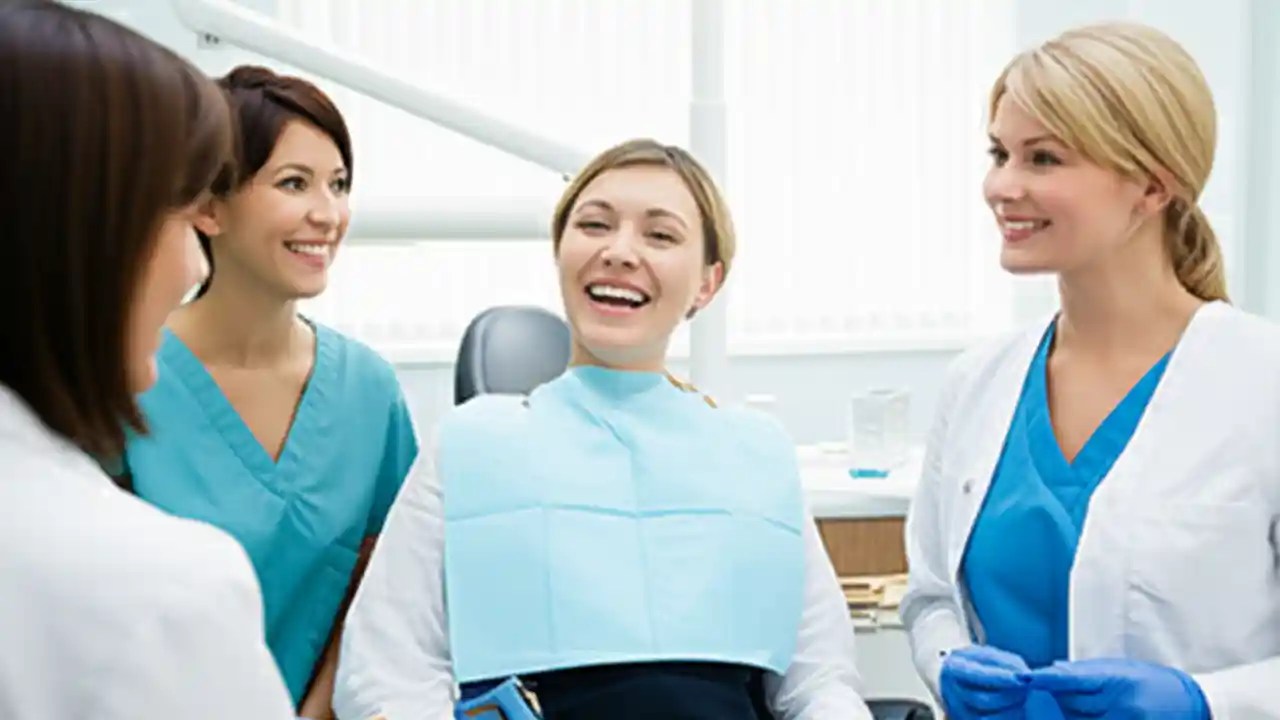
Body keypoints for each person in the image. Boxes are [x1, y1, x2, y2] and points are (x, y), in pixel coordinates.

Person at [331, 139, 872, 719]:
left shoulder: (756, 456)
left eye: (659, 235)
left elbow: (820, 684)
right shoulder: (469, 446)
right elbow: (385, 676)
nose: (619, 252)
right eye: (594, 225)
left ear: (707, 282)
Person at [900, 21, 1280, 720]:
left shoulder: (1263, 383)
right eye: (1000, 153)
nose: (1002, 185)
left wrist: (1207, 702)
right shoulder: (978, 383)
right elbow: (929, 598)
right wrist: (947, 660)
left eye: (1043, 159)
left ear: (1152, 186)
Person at [0, 2, 297, 718]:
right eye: (184, 214)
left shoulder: (364, 386)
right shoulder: (157, 591)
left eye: (339, 183)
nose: (194, 263)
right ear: (83, 233)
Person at [119, 66, 418, 719]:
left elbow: (383, 599)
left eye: (339, 184)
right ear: (208, 206)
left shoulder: (369, 392)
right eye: (294, 183)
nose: (328, 214)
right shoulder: (123, 380)